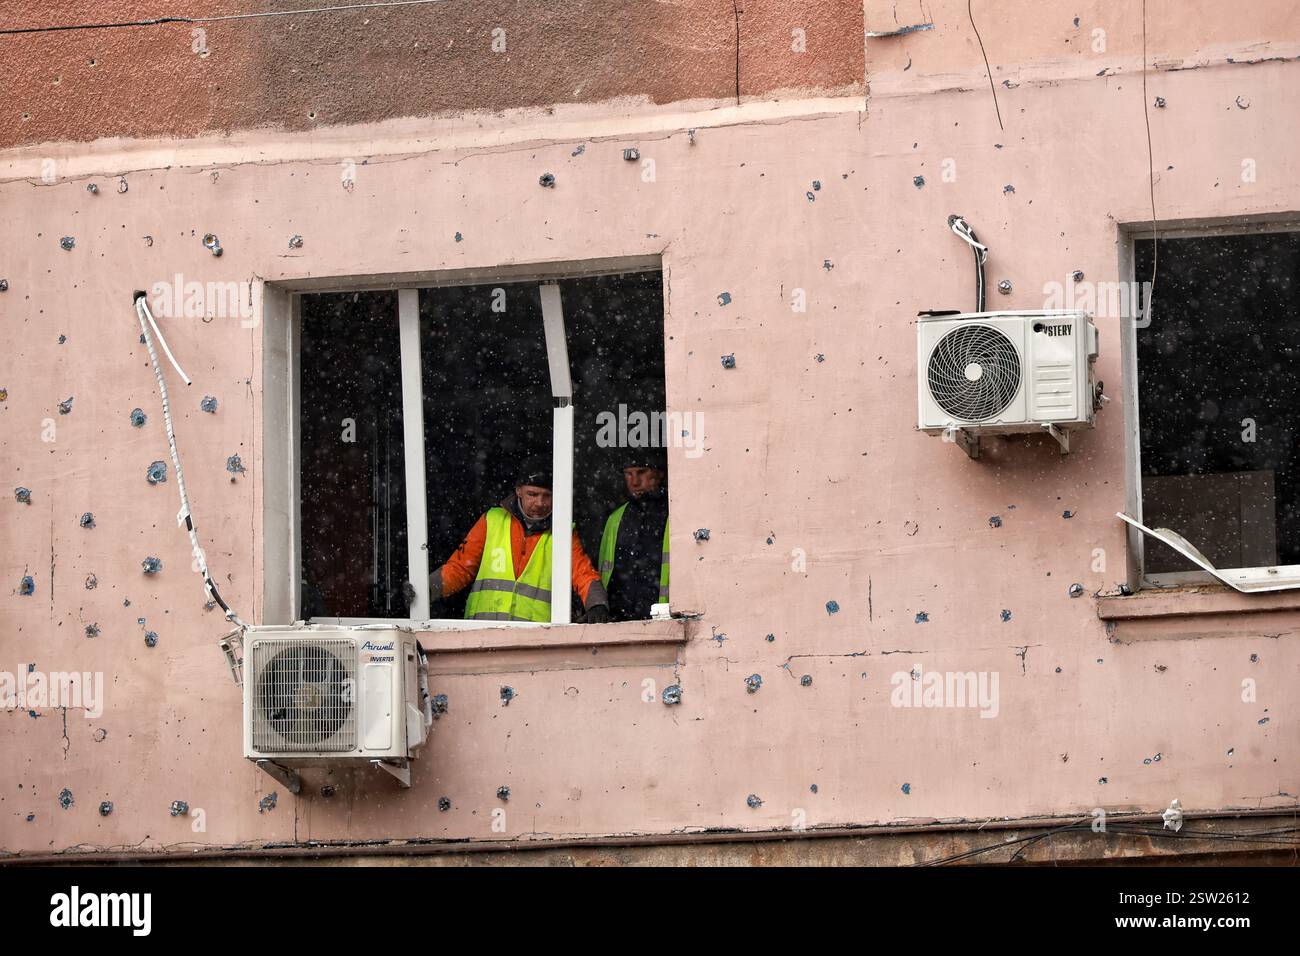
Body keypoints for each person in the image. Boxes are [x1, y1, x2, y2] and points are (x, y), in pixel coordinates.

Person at [430, 458, 610, 623]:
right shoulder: (492, 520)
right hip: (481, 635)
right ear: (518, 491)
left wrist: (597, 604)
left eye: (547, 495)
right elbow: (460, 568)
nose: (540, 503)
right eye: (532, 494)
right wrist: (425, 590)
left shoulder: (563, 531)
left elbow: (582, 572)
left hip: (535, 642)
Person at [599, 449, 668, 622]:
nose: (634, 481)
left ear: (659, 474)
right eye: (628, 474)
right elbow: (605, 572)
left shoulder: (673, 514)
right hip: (619, 618)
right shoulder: (615, 518)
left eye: (641, 473)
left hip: (662, 616)